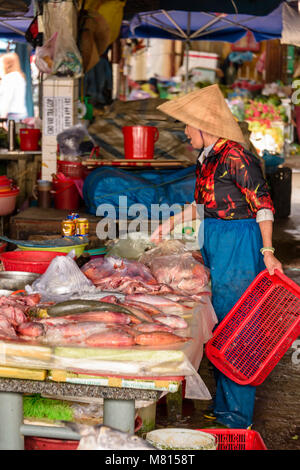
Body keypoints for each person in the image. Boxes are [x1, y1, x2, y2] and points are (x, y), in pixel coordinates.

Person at [151, 84, 283, 429]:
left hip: (239, 242)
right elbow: (200, 206)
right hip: (215, 239)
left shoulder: (236, 156)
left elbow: (263, 204)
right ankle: (224, 406)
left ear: (203, 126)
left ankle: (237, 417)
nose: (183, 132)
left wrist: (267, 251)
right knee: (219, 324)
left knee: (238, 328)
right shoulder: (208, 158)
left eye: (186, 126)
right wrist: (166, 226)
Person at [0, 52, 27, 122]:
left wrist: (2, 118)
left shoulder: (10, 78)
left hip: (11, 115)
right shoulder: (19, 76)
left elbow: (7, 98)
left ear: (8, 64)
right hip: (20, 113)